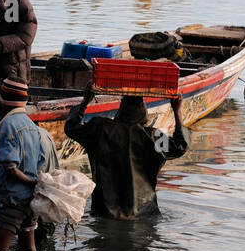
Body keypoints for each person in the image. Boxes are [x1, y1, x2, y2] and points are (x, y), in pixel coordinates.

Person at [64, 83, 189, 220]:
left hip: (104, 212)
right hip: (143, 214)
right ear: (143, 112)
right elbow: (180, 146)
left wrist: (85, 101)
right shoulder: (154, 137)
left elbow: (71, 127)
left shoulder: (100, 129)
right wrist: (177, 111)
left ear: (121, 109)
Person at [0, 78, 58, 251]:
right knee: (29, 248)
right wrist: (33, 184)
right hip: (30, 200)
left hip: (11, 199)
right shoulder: (33, 127)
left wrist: (29, 181)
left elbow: (9, 166)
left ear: (2, 99)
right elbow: (40, 162)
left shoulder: (7, 125)